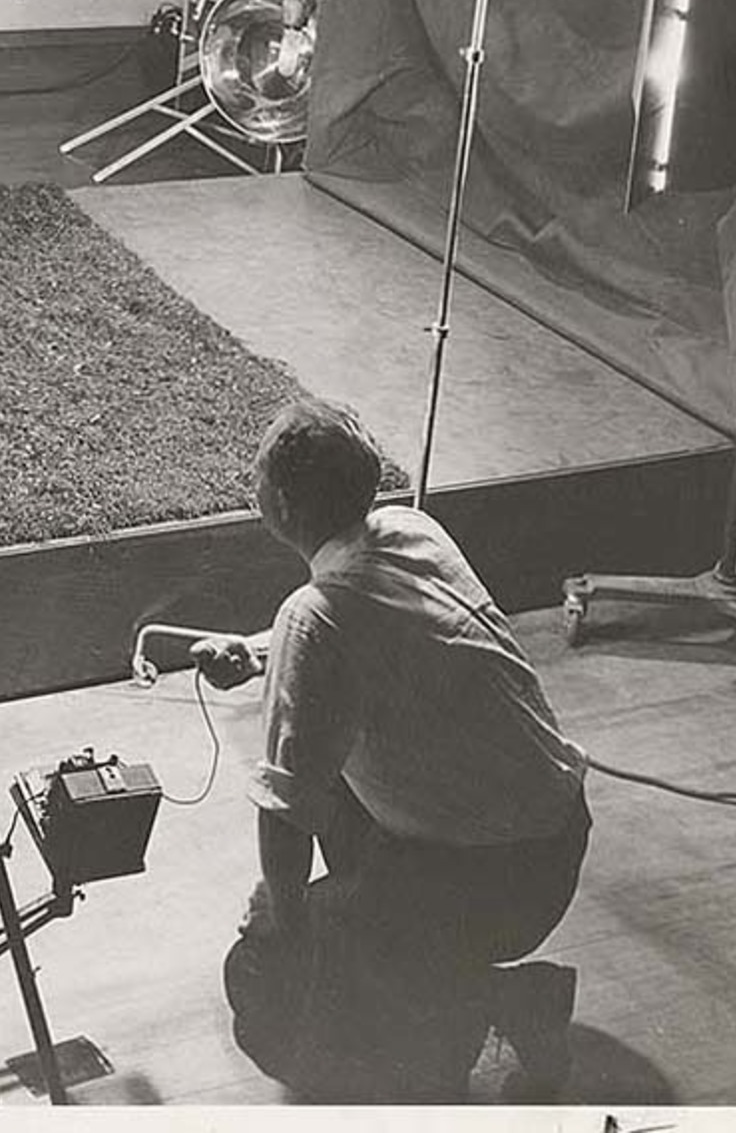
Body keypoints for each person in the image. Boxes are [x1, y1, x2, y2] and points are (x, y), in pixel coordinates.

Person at [188, 397, 590, 1103]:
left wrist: (286, 927)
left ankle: (501, 1001)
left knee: (259, 984)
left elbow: (285, 813)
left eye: (256, 478)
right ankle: (425, 978)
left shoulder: (312, 620)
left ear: (279, 501)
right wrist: (260, 655)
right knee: (341, 906)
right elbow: (385, 634)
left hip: (497, 883)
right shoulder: (410, 529)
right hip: (554, 837)